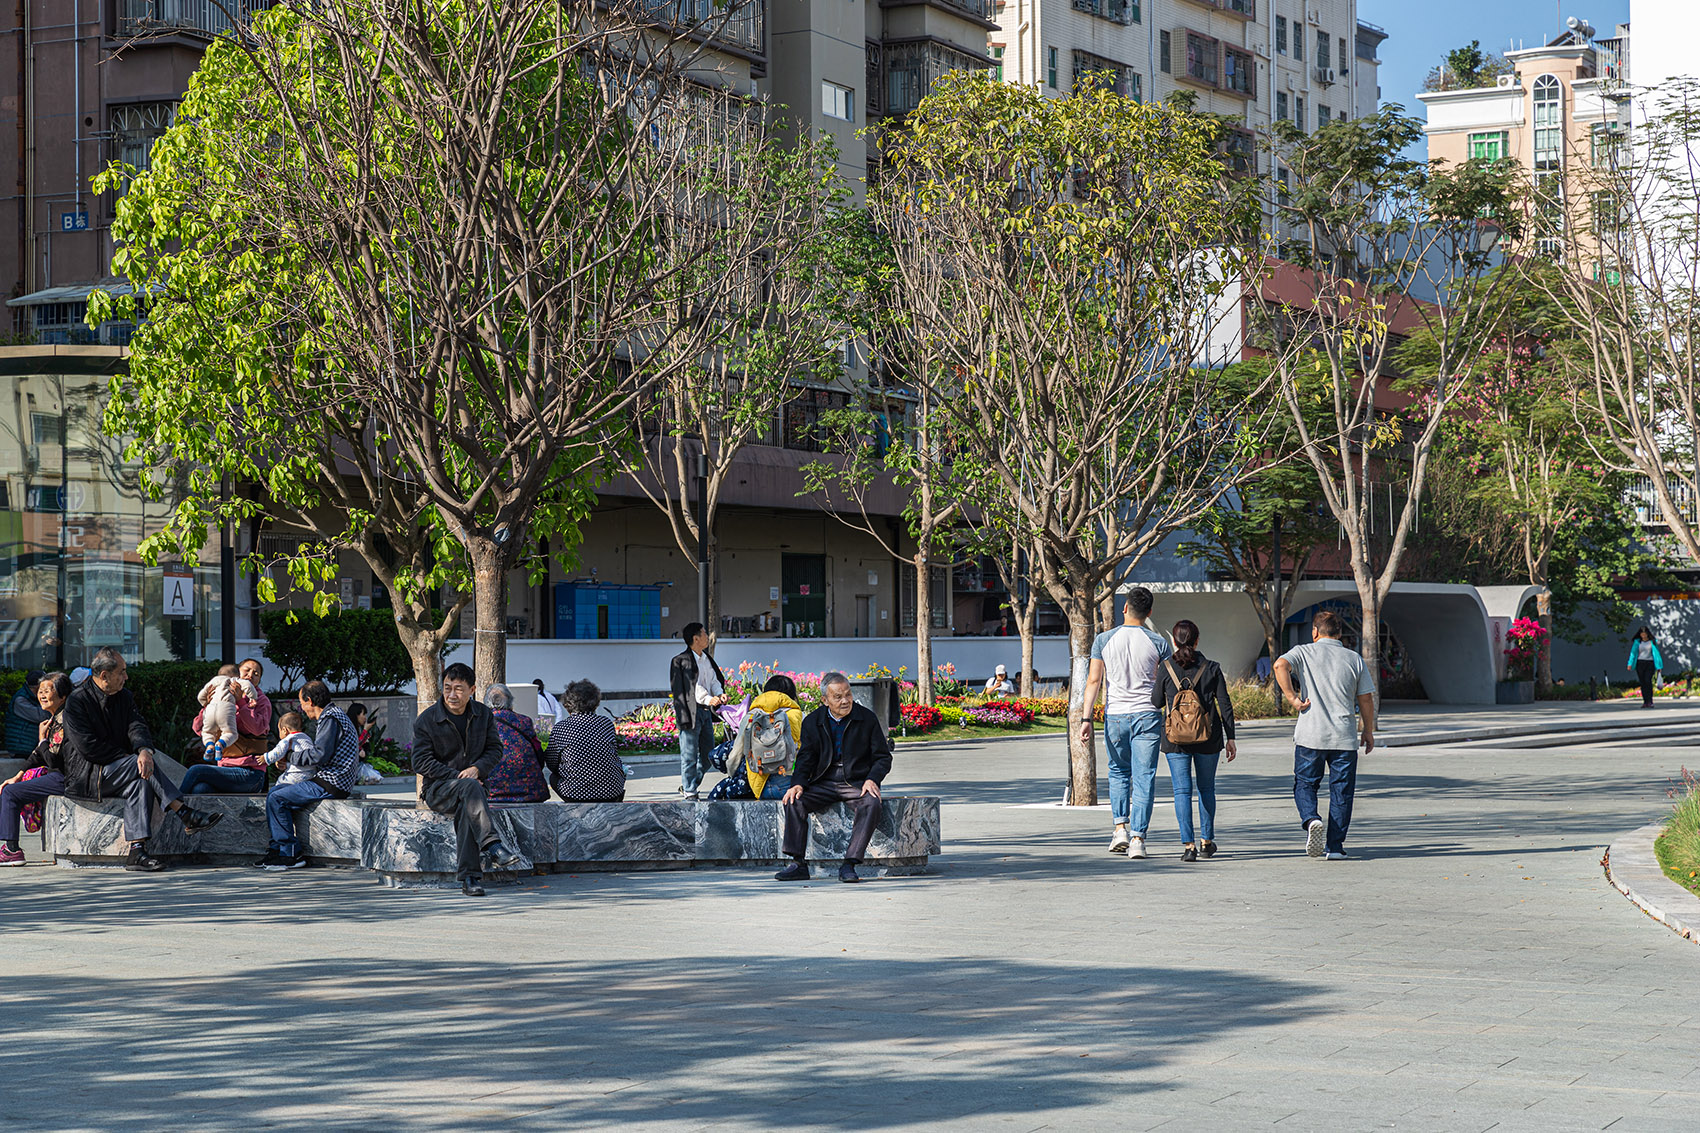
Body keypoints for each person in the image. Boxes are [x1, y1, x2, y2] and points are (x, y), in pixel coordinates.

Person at [61, 647, 222, 872]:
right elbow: (88, 748)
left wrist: (144, 750)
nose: (126, 677)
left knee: (141, 782)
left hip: (122, 771)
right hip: (89, 775)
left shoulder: (124, 696)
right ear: (104, 675)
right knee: (138, 767)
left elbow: (137, 725)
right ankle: (184, 812)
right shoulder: (77, 701)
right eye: (122, 672)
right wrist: (131, 758)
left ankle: (137, 852)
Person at [413, 663, 523, 896]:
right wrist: (459, 776)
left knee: (467, 808)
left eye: (459, 689)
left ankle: (470, 879)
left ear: (472, 690)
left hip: (474, 789)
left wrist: (477, 769)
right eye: (447, 688)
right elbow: (420, 762)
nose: (452, 695)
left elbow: (495, 749)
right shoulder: (428, 719)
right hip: (439, 789)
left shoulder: (483, 714)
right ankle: (492, 845)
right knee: (469, 789)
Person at [1274, 610, 1376, 860]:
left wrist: (1293, 698)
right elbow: (1365, 698)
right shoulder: (1354, 658)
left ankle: (1311, 819)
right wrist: (1368, 730)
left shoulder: (1303, 652)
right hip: (1344, 737)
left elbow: (1279, 665)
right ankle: (1335, 847)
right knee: (1342, 791)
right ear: (1339, 633)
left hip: (1311, 734)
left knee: (1305, 784)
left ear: (1315, 632)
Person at [1078, 586, 1171, 861]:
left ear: (1125, 608)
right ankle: (1138, 839)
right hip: (1147, 715)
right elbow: (1166, 683)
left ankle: (1120, 829)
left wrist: (1086, 718)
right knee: (1144, 777)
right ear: (1149, 612)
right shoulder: (1159, 643)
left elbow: (1093, 681)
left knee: (1118, 772)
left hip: (1115, 715)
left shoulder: (1103, 640)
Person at [774, 671, 891, 884]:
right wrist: (798, 784)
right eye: (838, 697)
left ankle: (849, 864)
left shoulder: (867, 719)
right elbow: (805, 758)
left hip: (856, 782)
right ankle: (798, 863)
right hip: (823, 781)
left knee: (872, 803)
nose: (845, 701)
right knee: (794, 800)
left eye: (848, 694)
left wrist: (872, 779)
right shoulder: (813, 721)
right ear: (825, 700)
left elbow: (883, 757)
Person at [1151, 620, 1237, 862]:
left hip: (1175, 739)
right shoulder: (1212, 668)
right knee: (1206, 788)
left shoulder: (1166, 667)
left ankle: (1189, 847)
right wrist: (1231, 737)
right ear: (1197, 641)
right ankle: (1206, 842)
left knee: (1181, 791)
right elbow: (1225, 704)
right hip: (1208, 737)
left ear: (1174, 641)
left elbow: (1156, 701)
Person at [257, 680, 360, 872]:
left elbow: (319, 755)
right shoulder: (334, 714)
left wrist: (291, 757)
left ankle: (290, 853)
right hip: (331, 780)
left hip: (332, 782)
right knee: (276, 792)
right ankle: (276, 849)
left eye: (302, 703)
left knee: (277, 798)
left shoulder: (330, 717)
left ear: (310, 701)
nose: (302, 708)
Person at [0, 671, 73, 865]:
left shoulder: (64, 721)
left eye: (47, 691)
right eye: (40, 691)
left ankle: (11, 850)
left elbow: (53, 762)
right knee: (11, 786)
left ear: (62, 695)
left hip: (65, 778)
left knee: (10, 793)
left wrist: (42, 739)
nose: (42, 695)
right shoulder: (55, 719)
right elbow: (38, 754)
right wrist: (18, 775)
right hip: (60, 775)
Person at [183, 657, 274, 795]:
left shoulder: (260, 701)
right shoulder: (221, 696)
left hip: (250, 773)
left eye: (256, 674)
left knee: (196, 771)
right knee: (200, 789)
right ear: (237, 674)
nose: (251, 675)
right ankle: (185, 806)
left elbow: (257, 729)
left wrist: (241, 703)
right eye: (247, 670)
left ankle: (174, 804)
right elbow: (198, 729)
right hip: (225, 768)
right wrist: (208, 706)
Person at [707, 674, 803, 801]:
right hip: (787, 785)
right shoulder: (797, 715)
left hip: (759, 788)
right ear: (792, 695)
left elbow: (736, 754)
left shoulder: (751, 715)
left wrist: (733, 774)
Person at [670, 622, 727, 800]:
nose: (707, 636)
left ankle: (690, 783)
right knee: (689, 755)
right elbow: (692, 687)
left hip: (705, 713)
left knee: (709, 754)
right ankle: (690, 792)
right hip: (690, 712)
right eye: (704, 633)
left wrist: (719, 694)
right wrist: (710, 699)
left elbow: (713, 681)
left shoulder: (706, 659)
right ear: (696, 638)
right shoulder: (680, 661)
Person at [546, 680, 625, 802]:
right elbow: (614, 754)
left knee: (553, 778)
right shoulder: (606, 723)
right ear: (595, 702)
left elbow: (552, 762)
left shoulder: (561, 728)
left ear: (568, 703)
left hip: (576, 794)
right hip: (612, 791)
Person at [483, 683, 550, 803]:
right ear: (510, 703)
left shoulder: (480, 724)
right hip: (530, 792)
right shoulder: (524, 721)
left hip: (492, 793)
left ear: (487, 703)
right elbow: (539, 753)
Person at [262, 712, 317, 785]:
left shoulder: (288, 738)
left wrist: (266, 758)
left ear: (284, 730)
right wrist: (287, 765)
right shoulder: (307, 738)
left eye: (279, 730)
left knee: (279, 783)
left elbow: (278, 751)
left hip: (296, 775)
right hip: (311, 774)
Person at [3, 669, 49, 755]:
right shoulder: (20, 700)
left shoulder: (32, 697)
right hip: (21, 748)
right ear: (38, 686)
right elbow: (41, 716)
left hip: (28, 746)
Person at [1627, 627, 1663, 708]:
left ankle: (1650, 701)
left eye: (1645, 634)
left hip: (1650, 663)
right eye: (1642, 634)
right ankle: (1645, 701)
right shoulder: (1637, 642)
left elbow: (1657, 654)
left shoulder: (1652, 642)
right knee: (1643, 682)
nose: (1643, 635)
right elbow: (1633, 653)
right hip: (1640, 663)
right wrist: (1630, 663)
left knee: (1648, 681)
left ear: (1647, 634)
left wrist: (1659, 666)